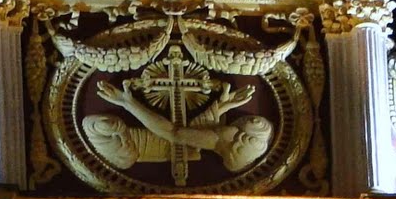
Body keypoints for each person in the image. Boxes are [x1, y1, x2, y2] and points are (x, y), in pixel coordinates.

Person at [86, 78, 273, 174]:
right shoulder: (220, 141)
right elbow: (199, 127)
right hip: (141, 143)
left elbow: (173, 132)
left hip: (139, 146)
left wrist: (128, 103)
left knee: (112, 139)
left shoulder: (218, 138)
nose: (231, 128)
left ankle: (112, 134)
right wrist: (224, 105)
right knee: (107, 129)